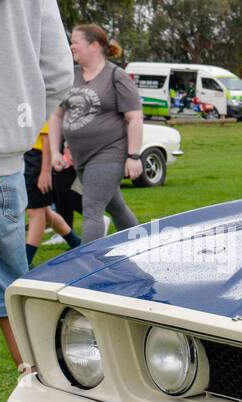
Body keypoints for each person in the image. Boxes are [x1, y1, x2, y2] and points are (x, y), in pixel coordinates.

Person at [0, 0, 81, 402]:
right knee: (9, 299)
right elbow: (59, 72)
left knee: (10, 297)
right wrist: (12, 124)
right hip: (2, 164)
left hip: (2, 158)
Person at [48, 24, 143, 245]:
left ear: (94, 45)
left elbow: (135, 118)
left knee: (91, 207)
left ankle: (87, 264)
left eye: (75, 42)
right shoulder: (72, 75)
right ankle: (142, 246)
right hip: (82, 158)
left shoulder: (115, 76)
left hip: (109, 153)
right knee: (116, 207)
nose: (71, 46)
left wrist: (134, 156)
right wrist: (54, 151)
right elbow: (57, 115)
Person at [25, 122, 82, 265]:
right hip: (30, 158)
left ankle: (25, 262)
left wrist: (45, 172)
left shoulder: (42, 106)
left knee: (35, 213)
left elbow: (47, 139)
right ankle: (77, 244)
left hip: (38, 161)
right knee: (44, 211)